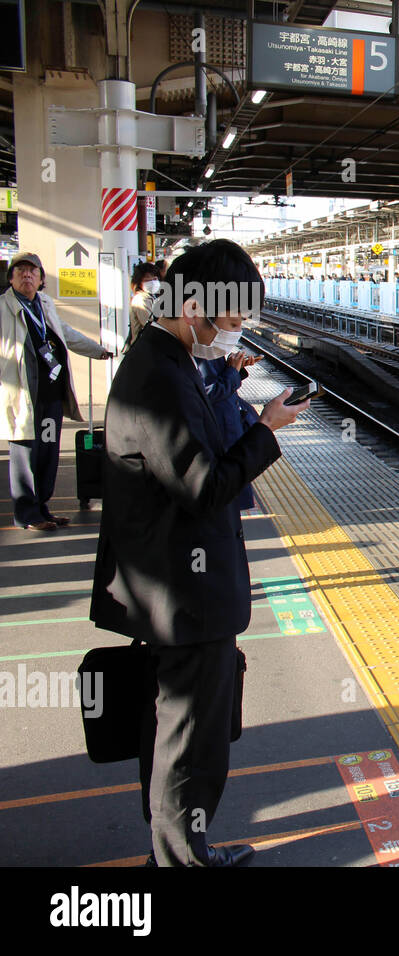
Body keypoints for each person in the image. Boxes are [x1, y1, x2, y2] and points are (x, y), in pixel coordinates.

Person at [90, 239, 308, 867]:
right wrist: (267, 430)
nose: (231, 334)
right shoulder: (159, 375)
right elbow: (204, 486)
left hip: (177, 591)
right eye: (227, 320)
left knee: (173, 734)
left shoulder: (170, 361)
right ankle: (183, 858)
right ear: (192, 305)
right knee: (188, 741)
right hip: (183, 597)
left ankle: (177, 847)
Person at [2, 252, 113, 531]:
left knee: (48, 453)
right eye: (21, 271)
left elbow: (66, 334)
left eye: (33, 271)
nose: (27, 275)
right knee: (26, 454)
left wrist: (97, 350)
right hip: (23, 397)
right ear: (11, 278)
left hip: (51, 396)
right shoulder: (3, 308)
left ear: (41, 279)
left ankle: (43, 508)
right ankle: (27, 514)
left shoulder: (45, 305)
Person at [198, 348, 264, 511]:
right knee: (224, 508)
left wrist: (235, 368)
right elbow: (207, 393)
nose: (238, 330)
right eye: (233, 325)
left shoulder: (206, 347)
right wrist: (232, 371)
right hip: (219, 441)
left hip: (226, 434)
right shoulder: (196, 351)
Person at [127, 261, 162, 351]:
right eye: (148, 280)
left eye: (155, 279)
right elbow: (150, 325)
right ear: (139, 283)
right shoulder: (141, 300)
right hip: (144, 349)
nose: (153, 283)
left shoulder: (151, 297)